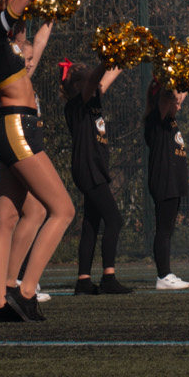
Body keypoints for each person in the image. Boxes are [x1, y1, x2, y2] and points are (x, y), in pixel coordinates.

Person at [0, 0, 74, 321]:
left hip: (9, 127)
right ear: (0, 4)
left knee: (7, 219)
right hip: (17, 126)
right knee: (62, 209)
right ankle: (26, 291)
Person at [61, 58, 131, 295]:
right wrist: (106, 60)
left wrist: (123, 57)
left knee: (92, 224)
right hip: (88, 168)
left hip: (94, 168)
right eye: (91, 80)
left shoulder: (92, 99)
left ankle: (83, 281)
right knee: (115, 220)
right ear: (79, 85)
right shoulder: (77, 104)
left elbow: (105, 79)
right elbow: (96, 79)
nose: (98, 84)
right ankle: (109, 277)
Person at [145, 81, 189, 289]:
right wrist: (168, 79)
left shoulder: (170, 120)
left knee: (168, 229)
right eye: (175, 102)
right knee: (164, 230)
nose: (179, 105)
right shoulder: (156, 120)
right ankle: (163, 276)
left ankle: (166, 274)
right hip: (163, 180)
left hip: (173, 181)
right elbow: (167, 96)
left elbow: (180, 95)